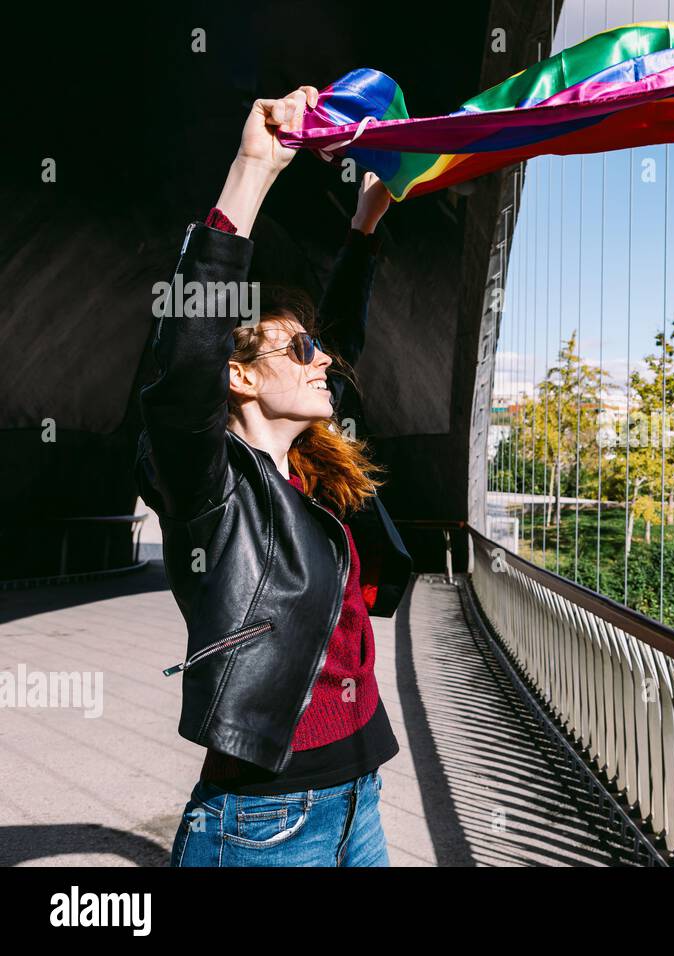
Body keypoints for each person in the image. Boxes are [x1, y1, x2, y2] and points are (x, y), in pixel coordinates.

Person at [135, 85, 413, 866]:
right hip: (266, 822)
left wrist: (365, 223)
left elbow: (344, 336)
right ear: (240, 378)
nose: (321, 359)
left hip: (363, 800)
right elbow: (186, 354)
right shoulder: (209, 487)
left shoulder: (314, 475)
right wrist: (254, 169)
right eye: (297, 352)